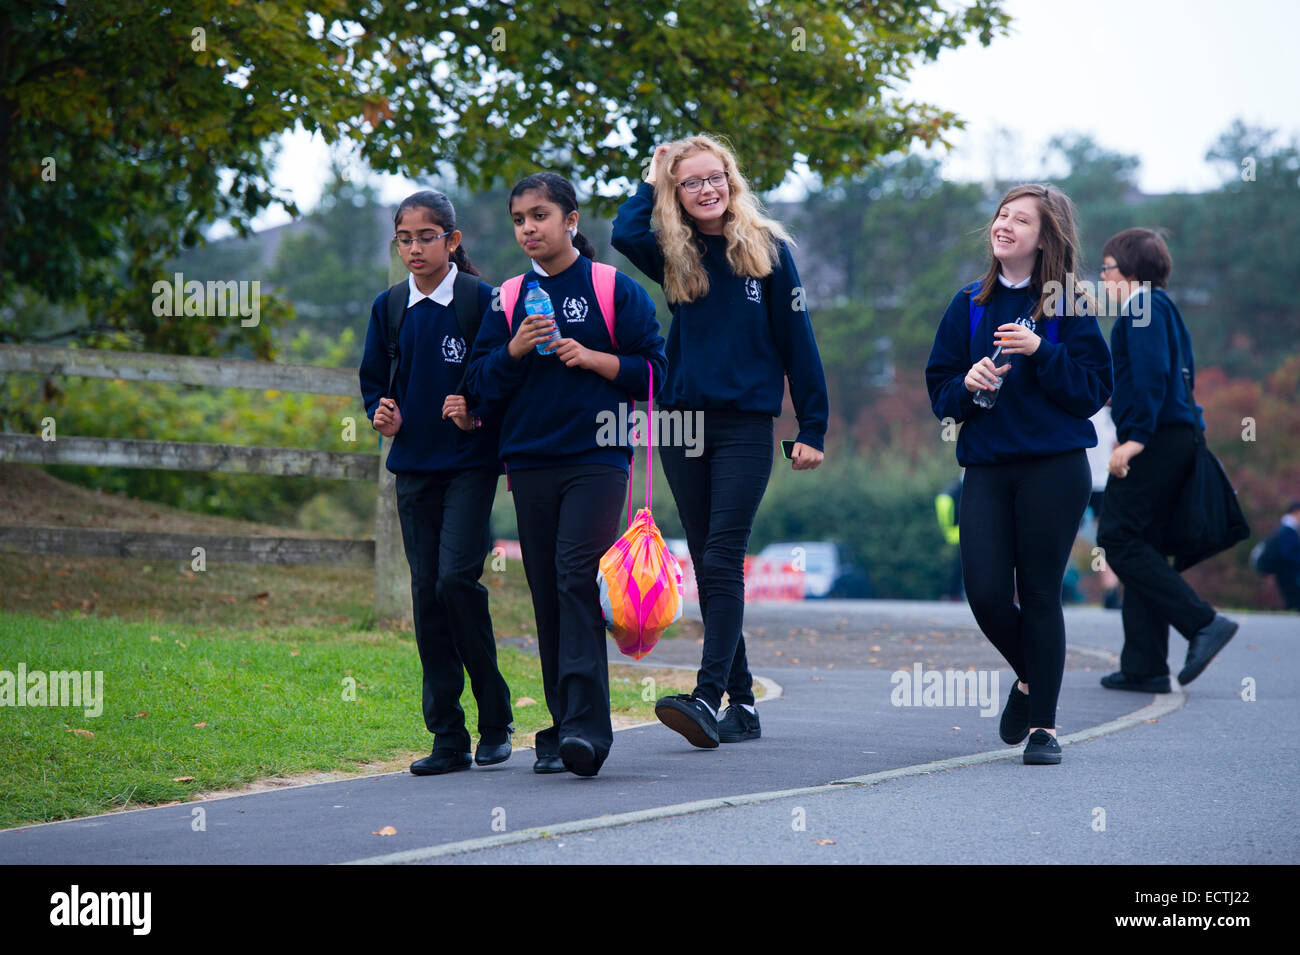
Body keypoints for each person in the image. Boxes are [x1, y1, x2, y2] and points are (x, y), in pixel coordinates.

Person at [612, 135, 829, 749]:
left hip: (745, 426)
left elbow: (799, 342)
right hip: (680, 425)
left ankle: (708, 696)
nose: (706, 190)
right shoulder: (674, 253)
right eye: (691, 182)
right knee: (707, 558)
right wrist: (654, 174)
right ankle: (745, 704)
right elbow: (624, 231)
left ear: (732, 182)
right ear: (676, 194)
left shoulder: (769, 251)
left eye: (716, 178)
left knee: (720, 555)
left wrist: (811, 425)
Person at [466, 172, 666, 777]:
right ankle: (558, 726)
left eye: (541, 216)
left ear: (571, 220)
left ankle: (585, 731)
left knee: (577, 577)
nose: (529, 228)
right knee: (549, 592)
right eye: (520, 219)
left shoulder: (614, 290)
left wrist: (595, 358)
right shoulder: (504, 300)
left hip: (598, 458)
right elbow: (477, 387)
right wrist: (515, 351)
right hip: (528, 462)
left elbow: (658, 374)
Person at [925, 183, 1112, 765]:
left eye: (1020, 220)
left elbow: (1093, 391)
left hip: (1055, 469)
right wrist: (968, 386)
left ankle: (1045, 728)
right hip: (985, 467)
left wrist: (1041, 350)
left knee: (1037, 595)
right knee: (983, 592)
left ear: (1044, 237)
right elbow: (940, 390)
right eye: (1001, 216)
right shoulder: (969, 304)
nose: (1004, 225)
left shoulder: (1069, 303)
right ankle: (1032, 679)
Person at [358, 190, 513, 776]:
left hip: (470, 466)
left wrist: (476, 411)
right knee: (426, 594)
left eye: (427, 237)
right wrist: (381, 412)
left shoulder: (482, 301)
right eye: (405, 238)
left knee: (455, 580)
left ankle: (495, 719)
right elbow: (375, 379)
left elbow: (504, 377)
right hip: (414, 470)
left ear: (453, 240)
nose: (415, 248)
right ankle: (447, 737)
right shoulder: (390, 307)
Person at [1096, 228, 1239, 692]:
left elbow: (1153, 376)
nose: (1103, 277)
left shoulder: (1139, 306)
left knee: (1118, 539)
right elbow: (1180, 375)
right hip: (1177, 435)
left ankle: (1203, 623)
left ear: (1131, 271)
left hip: (1154, 438)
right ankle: (1145, 665)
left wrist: (1135, 439)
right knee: (1146, 542)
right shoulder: (1163, 306)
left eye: (1108, 268)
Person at [1084, 404, 1121, 608]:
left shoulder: (1079, 410)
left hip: (1086, 479)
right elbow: (1117, 444)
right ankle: (1110, 589)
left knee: (1066, 534)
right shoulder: (1108, 415)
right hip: (1102, 480)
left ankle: (1055, 585)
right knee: (1103, 537)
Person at [1258, 501, 1300, 610]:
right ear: (1296, 512)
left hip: (1283, 570)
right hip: (1286, 571)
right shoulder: (1288, 530)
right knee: (1294, 601)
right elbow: (1289, 554)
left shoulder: (1285, 529)